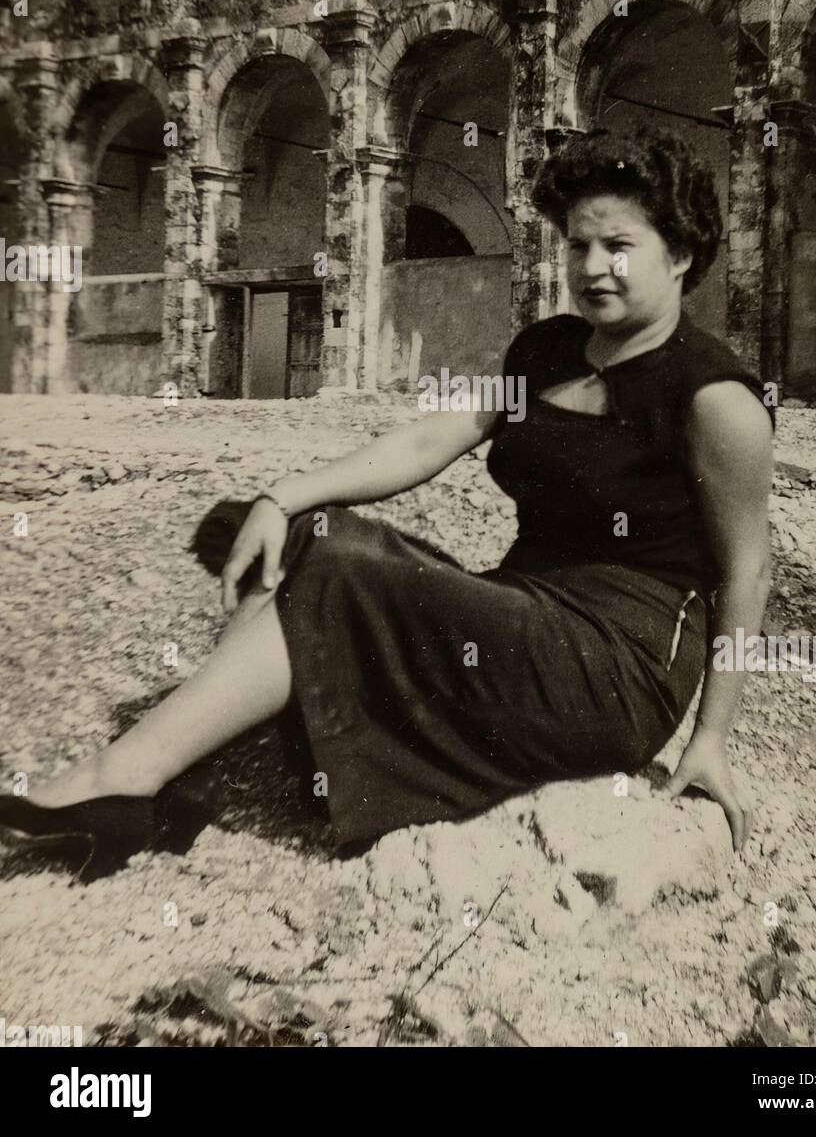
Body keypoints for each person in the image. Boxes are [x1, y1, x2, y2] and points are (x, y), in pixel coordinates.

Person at [0, 127, 774, 883]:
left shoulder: (714, 398)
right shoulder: (546, 349)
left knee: (334, 562)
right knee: (269, 530)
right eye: (577, 245)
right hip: (519, 612)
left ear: (678, 255)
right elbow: (429, 442)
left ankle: (126, 776)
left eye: (619, 247)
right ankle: (182, 775)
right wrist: (283, 494)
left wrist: (710, 738)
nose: (593, 267)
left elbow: (745, 573)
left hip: (611, 667)